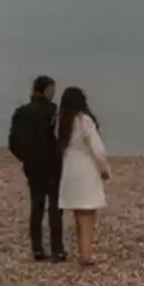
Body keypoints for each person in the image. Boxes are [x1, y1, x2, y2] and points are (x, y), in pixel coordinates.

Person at [8, 75, 66, 262]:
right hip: (53, 163)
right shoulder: (54, 112)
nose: (53, 93)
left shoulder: (22, 112)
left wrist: (25, 157)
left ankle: (37, 249)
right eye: (52, 90)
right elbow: (62, 138)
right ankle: (57, 249)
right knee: (55, 207)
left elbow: (13, 141)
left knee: (37, 205)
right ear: (45, 90)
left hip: (33, 164)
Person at [56, 87, 111, 267]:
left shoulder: (62, 121)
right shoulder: (84, 120)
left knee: (78, 213)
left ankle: (83, 250)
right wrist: (104, 169)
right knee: (87, 213)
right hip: (86, 168)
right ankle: (86, 254)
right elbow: (98, 149)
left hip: (69, 168)